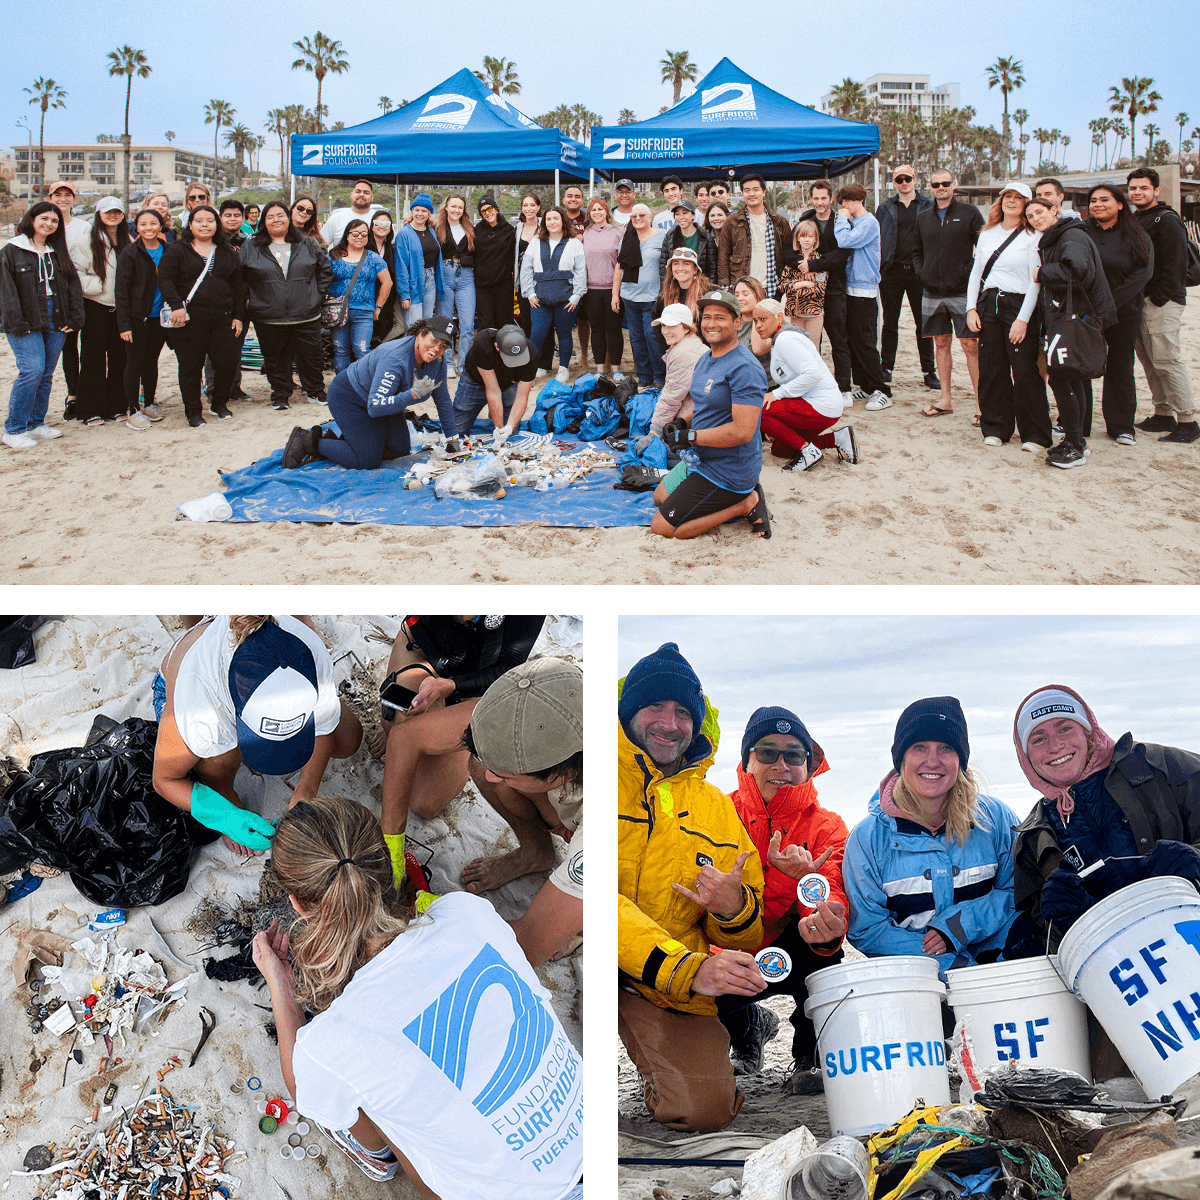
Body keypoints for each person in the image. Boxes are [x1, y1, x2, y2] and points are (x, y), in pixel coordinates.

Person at [252, 794, 582, 1200]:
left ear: (299, 905)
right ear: (384, 864)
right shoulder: (466, 913)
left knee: (381, 1103)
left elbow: (304, 1090)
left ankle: (375, 1156)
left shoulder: (333, 1042)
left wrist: (279, 983)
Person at [618, 642, 766, 1132]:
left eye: (684, 712)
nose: (670, 722)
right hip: (577, 952)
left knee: (706, 1112)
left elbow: (748, 936)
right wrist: (684, 968)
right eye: (655, 705)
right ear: (627, 709)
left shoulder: (715, 807)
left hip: (664, 980)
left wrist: (733, 909)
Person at [1009, 686, 1200, 956]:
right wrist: (1068, 918)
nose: (1055, 746)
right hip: (1125, 976)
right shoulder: (1033, 840)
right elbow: (1049, 944)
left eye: (1065, 728)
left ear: (1089, 733)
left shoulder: (1164, 767)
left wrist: (1195, 860)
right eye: (1038, 739)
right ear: (1026, 756)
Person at [151, 614, 363, 856]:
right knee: (219, 758)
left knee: (348, 737)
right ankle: (226, 793)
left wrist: (307, 789)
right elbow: (164, 779)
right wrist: (226, 816)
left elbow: (324, 726)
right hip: (180, 690)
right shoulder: (200, 700)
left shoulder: (308, 650)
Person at [720, 707, 849, 1091]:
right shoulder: (715, 814)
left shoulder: (828, 826)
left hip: (790, 950)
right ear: (747, 760)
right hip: (722, 950)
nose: (781, 764)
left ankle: (810, 1053)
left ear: (809, 765)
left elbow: (831, 897)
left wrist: (810, 887)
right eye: (767, 752)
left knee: (824, 951)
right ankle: (747, 1026)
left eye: (794, 754)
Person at [842, 696, 1020, 969]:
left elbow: (1018, 891)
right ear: (901, 758)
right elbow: (868, 929)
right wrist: (948, 964)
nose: (932, 761)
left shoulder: (995, 820)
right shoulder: (867, 839)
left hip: (997, 967)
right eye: (919, 747)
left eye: (946, 748)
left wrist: (960, 926)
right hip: (918, 980)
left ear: (960, 758)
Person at [366, 615, 546, 884]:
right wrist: (392, 847)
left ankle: (429, 724)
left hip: (476, 685)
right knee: (399, 719)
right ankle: (392, 722)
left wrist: (452, 687)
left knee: (425, 803)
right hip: (423, 655)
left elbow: (510, 664)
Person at [455, 658, 583, 966]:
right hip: (572, 803)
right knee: (484, 762)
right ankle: (536, 853)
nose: (489, 778)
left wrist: (429, 928)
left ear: (561, 775)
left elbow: (524, 946)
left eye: (507, 773)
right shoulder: (568, 697)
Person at [651, 289, 770, 540]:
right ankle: (736, 499)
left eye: (720, 317)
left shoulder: (745, 368)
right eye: (706, 317)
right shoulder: (707, 357)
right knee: (660, 496)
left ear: (737, 322)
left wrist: (691, 436)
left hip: (727, 469)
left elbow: (743, 431)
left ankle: (745, 503)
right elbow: (704, 402)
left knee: (662, 528)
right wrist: (682, 421)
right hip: (702, 459)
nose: (711, 324)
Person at [283, 316, 459, 470]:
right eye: (434, 340)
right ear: (421, 334)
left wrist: (453, 438)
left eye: (444, 346)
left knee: (398, 451)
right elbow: (374, 407)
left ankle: (351, 441)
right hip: (350, 397)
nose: (437, 349)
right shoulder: (395, 358)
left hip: (385, 402)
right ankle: (308, 440)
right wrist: (412, 395)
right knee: (367, 460)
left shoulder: (438, 360)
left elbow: (442, 399)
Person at [1026, 197, 1117, 469]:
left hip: (1078, 316)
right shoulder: (1060, 235)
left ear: (1055, 210)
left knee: (1061, 376)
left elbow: (1078, 272)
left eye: (1040, 212)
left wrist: (1042, 272)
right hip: (1075, 314)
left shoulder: (1070, 235)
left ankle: (1074, 446)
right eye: (1030, 216)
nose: (1035, 218)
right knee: (1072, 376)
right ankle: (1077, 440)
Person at [966, 182, 1051, 449]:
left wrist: (1023, 319)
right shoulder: (987, 233)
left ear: (1027, 204)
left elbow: (1034, 282)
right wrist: (971, 308)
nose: (1011, 201)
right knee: (992, 368)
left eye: (1018, 198)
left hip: (1019, 304)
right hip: (989, 303)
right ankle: (996, 427)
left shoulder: (1033, 236)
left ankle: (1035, 433)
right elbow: (976, 274)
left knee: (1025, 370)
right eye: (1007, 196)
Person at [0, 202, 83, 449]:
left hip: (57, 317)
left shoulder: (57, 251)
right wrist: (16, 322)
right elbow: (5, 290)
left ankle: (36, 423)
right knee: (32, 370)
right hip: (25, 318)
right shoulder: (12, 250)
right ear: (32, 219)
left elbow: (73, 286)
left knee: (46, 373)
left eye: (54, 221)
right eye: (44, 218)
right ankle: (14, 429)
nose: (49, 224)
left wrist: (75, 318)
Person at [239, 200, 332, 412]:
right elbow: (240, 277)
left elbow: (325, 270)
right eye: (270, 216)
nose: (276, 220)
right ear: (264, 221)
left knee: (311, 355)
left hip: (306, 313)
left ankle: (315, 391)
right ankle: (280, 394)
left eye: (280, 215)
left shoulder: (306, 243)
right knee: (275, 357)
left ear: (288, 218)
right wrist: (249, 300)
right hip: (268, 315)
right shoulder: (251, 246)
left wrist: (316, 295)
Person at [1080, 184, 1154, 447]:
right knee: (1081, 367)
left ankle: (1121, 427)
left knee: (1121, 367)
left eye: (1105, 200)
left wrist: (1109, 304)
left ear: (1120, 204)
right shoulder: (1080, 231)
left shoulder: (1135, 233)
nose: (1098, 204)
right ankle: (1079, 424)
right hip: (1085, 311)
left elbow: (1143, 273)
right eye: (1093, 200)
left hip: (1124, 312)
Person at [159, 205, 246, 427]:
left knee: (227, 363)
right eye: (199, 220)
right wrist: (177, 305)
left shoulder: (226, 251)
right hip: (189, 318)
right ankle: (193, 411)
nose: (205, 224)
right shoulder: (178, 250)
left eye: (210, 220)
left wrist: (238, 316)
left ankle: (219, 403)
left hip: (222, 318)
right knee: (190, 366)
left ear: (217, 225)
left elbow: (237, 286)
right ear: (190, 224)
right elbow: (165, 280)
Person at [1128, 167, 1197, 443]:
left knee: (1167, 360)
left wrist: (1158, 299)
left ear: (1156, 190)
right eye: (1133, 188)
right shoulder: (1137, 218)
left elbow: (1176, 264)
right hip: (1141, 301)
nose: (1137, 192)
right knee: (1149, 360)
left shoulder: (1166, 220)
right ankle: (1163, 413)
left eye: (1143, 188)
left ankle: (1188, 421)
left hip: (1162, 302)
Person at [752, 297, 858, 472]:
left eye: (763, 319)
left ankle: (808, 453)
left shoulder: (786, 339)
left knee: (758, 408)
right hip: (816, 404)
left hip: (822, 405)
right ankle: (838, 439)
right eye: (755, 321)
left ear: (779, 318)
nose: (758, 325)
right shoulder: (780, 339)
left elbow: (812, 374)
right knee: (781, 451)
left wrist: (777, 394)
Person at [914, 169, 985, 421]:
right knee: (940, 343)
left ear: (954, 184)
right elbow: (917, 251)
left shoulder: (970, 213)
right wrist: (922, 274)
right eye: (936, 184)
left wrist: (967, 275)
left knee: (970, 346)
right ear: (930, 187)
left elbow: (984, 248)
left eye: (945, 183)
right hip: (932, 292)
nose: (941, 187)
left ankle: (981, 405)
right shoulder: (923, 217)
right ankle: (945, 399)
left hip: (962, 292)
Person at [70, 196, 134, 428]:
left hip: (122, 309)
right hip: (95, 306)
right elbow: (75, 272)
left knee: (120, 358)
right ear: (99, 214)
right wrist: (99, 286)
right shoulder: (86, 240)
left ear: (123, 214)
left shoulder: (128, 239)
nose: (113, 215)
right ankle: (89, 409)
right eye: (108, 211)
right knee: (92, 358)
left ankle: (116, 406)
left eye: (117, 211)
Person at [876, 164, 938, 388]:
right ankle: (886, 367)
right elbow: (878, 239)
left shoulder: (928, 205)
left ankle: (929, 371)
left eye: (908, 178)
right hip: (892, 271)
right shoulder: (885, 208)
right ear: (894, 182)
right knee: (890, 323)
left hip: (919, 272)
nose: (904, 183)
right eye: (899, 179)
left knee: (924, 323)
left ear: (915, 179)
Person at [831, 185, 892, 410]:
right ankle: (866, 385)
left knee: (866, 342)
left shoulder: (869, 222)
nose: (844, 206)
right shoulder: (852, 222)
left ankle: (882, 390)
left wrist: (840, 220)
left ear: (859, 200)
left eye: (848, 201)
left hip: (864, 290)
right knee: (854, 340)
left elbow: (845, 241)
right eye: (842, 202)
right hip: (849, 288)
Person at [797, 181, 854, 402]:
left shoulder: (841, 221)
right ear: (811, 199)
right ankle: (815, 387)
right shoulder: (805, 221)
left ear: (831, 199)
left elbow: (842, 254)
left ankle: (844, 388)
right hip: (809, 291)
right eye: (816, 198)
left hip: (834, 289)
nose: (820, 202)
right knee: (812, 344)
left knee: (839, 340)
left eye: (824, 198)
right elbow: (791, 248)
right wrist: (801, 265)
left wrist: (813, 265)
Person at [520, 205, 586, 385]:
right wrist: (529, 293)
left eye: (555, 218)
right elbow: (526, 269)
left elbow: (580, 271)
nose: (552, 222)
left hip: (566, 299)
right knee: (538, 334)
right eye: (548, 219)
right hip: (540, 298)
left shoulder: (574, 243)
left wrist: (576, 295)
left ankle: (563, 368)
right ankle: (530, 371)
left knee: (564, 334)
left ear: (563, 221)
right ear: (544, 222)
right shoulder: (535, 242)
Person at [115, 208, 170, 425]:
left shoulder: (169, 250)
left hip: (160, 318)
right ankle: (133, 410)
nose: (149, 228)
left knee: (151, 362)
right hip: (137, 318)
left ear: (160, 225)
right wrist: (124, 324)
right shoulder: (130, 253)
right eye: (143, 224)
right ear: (136, 227)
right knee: (134, 362)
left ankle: (149, 404)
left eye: (153, 223)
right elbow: (121, 291)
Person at [638, 303, 707, 453]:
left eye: (672, 326)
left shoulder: (683, 352)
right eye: (663, 325)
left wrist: (655, 433)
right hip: (700, 410)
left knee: (659, 451)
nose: (665, 331)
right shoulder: (691, 343)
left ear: (686, 327)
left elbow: (672, 397)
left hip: (699, 418)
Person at [326, 219, 392, 375]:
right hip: (338, 311)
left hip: (364, 311)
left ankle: (363, 386)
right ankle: (342, 386)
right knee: (340, 349)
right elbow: (322, 279)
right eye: (355, 234)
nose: (359, 237)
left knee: (362, 349)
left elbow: (387, 283)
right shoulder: (334, 257)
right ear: (347, 236)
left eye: (364, 234)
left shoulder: (373, 258)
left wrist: (378, 307)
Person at [614, 205, 667, 388]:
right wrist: (615, 295)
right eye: (634, 215)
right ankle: (644, 376)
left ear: (650, 216)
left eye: (642, 214)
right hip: (629, 296)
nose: (637, 218)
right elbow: (619, 268)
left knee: (652, 336)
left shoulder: (662, 235)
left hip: (652, 297)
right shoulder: (627, 237)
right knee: (636, 338)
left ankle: (660, 376)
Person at [452, 324, 536, 439]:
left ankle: (495, 412)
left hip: (508, 382)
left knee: (512, 432)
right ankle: (494, 412)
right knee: (457, 430)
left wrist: (509, 428)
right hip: (476, 380)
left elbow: (522, 397)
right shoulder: (483, 344)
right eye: (510, 358)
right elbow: (493, 392)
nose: (515, 363)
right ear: (497, 347)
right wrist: (499, 430)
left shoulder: (531, 354)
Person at [715, 175, 790, 296]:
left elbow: (788, 254)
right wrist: (724, 286)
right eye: (747, 190)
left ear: (764, 192)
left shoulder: (778, 221)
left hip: (772, 287)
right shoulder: (732, 221)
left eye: (756, 189)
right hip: (742, 287)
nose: (751, 194)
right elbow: (723, 254)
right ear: (743, 194)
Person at [50, 181, 87, 420]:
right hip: (57, 294)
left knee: (90, 347)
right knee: (68, 346)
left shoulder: (83, 227)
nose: (63, 199)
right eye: (58, 195)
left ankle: (88, 391)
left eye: (67, 195)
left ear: (74, 199)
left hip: (83, 292)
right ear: (50, 197)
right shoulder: (44, 223)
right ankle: (72, 395)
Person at [206, 200, 250, 403]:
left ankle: (235, 386)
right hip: (218, 301)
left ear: (243, 218)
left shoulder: (249, 241)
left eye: (236, 215)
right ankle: (213, 386)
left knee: (236, 345)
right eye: (228, 215)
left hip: (243, 300)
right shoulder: (211, 241)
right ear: (220, 218)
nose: (232, 219)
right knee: (214, 347)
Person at [580, 197, 624, 380]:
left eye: (600, 209)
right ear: (589, 214)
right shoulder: (586, 233)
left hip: (612, 289)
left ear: (607, 211)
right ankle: (600, 370)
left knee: (614, 329)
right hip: (591, 290)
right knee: (597, 329)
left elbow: (621, 263)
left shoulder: (618, 231)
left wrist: (616, 292)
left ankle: (616, 370)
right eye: (592, 210)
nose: (596, 212)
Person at [512, 192, 556, 375]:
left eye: (532, 205)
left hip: (543, 281)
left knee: (545, 323)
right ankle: (529, 361)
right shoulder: (516, 228)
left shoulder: (546, 226)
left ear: (539, 207)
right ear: (521, 208)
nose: (529, 209)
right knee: (527, 323)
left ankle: (545, 364)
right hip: (523, 281)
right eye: (525, 205)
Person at [434, 194, 476, 378]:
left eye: (460, 207)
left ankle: (464, 364)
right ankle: (448, 364)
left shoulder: (470, 229)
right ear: (446, 207)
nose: (456, 210)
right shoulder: (437, 229)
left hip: (466, 276)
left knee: (467, 325)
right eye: (453, 206)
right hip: (445, 274)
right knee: (446, 323)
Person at [393, 193, 442, 331]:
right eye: (417, 210)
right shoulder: (404, 234)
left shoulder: (432, 231)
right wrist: (404, 294)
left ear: (429, 214)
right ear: (412, 211)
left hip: (431, 281)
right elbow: (401, 265)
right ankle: (411, 352)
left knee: (427, 325)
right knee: (413, 327)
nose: (420, 214)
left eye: (424, 211)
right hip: (413, 283)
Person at [651, 248, 713, 355]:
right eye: (676, 264)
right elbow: (656, 320)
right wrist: (668, 347)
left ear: (695, 269)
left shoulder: (708, 293)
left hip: (704, 352)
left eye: (686, 264)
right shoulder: (665, 296)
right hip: (677, 352)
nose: (680, 268)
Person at [471, 193, 516, 334]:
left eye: (489, 209)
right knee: (485, 324)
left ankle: (503, 354)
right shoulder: (476, 231)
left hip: (503, 285)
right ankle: (486, 354)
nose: (487, 213)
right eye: (483, 211)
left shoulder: (509, 230)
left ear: (496, 209)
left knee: (504, 323)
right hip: (483, 287)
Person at [777, 219, 827, 346]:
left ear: (816, 239)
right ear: (797, 238)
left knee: (813, 349)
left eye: (810, 236)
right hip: (795, 314)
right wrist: (801, 284)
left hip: (814, 313)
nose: (806, 239)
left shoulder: (819, 261)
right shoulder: (792, 260)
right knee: (798, 348)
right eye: (803, 236)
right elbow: (782, 285)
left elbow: (819, 290)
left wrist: (792, 286)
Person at [658, 199, 717, 286]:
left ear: (693, 215)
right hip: (677, 286)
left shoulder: (706, 238)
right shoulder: (670, 237)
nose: (681, 217)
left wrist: (709, 290)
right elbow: (664, 267)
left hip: (700, 287)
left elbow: (713, 269)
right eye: (677, 214)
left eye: (685, 213)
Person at [320, 178, 385, 248]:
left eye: (366, 193)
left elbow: (392, 245)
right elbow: (321, 246)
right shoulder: (336, 218)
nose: (361, 195)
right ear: (351, 195)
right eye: (358, 192)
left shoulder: (381, 219)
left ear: (372, 197)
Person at [367, 211, 399, 346]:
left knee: (382, 333)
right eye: (377, 223)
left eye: (386, 223)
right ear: (372, 226)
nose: (382, 226)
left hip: (386, 300)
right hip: (367, 299)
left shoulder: (391, 249)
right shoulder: (365, 247)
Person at [731, 276, 771, 373]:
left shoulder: (769, 321)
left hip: (765, 383)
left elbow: (758, 350)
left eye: (745, 294)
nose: (740, 299)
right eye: (736, 295)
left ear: (758, 295)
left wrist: (758, 310)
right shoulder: (732, 322)